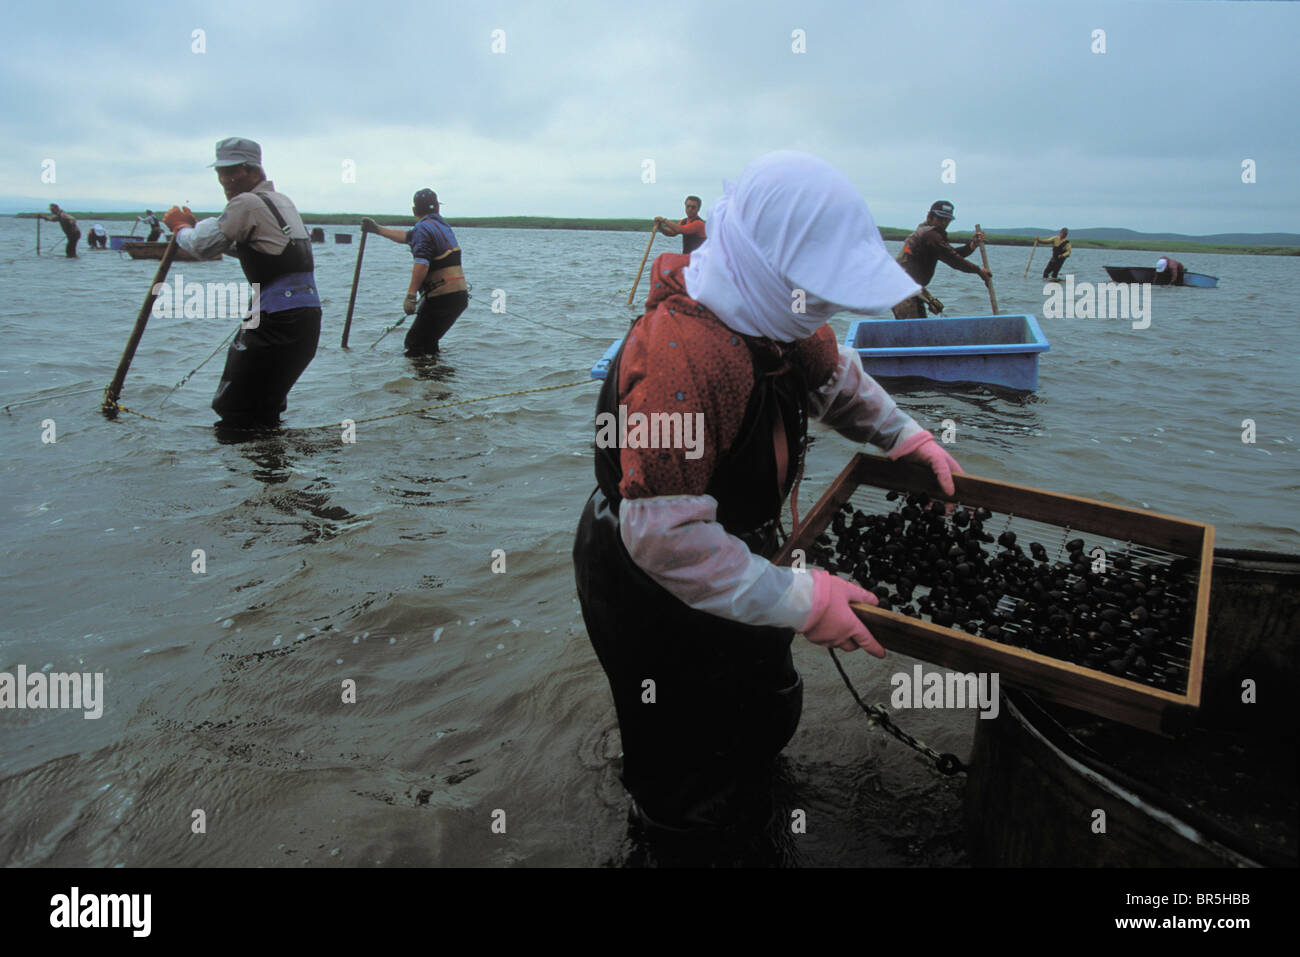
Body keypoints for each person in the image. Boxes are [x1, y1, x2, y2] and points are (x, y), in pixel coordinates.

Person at [573, 152, 962, 862]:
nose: (825, 308)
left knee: (760, 704)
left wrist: (907, 438)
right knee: (687, 769)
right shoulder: (681, 360)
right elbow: (663, 538)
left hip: (739, 537)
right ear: (766, 262)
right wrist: (806, 600)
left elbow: (837, 381)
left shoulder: (779, 311)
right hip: (648, 568)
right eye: (816, 289)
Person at [163, 137, 321, 429]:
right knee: (264, 405)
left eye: (231, 171)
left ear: (252, 170)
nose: (224, 180)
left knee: (236, 408)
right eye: (220, 173)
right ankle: (270, 469)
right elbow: (255, 248)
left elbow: (200, 246)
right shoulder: (281, 201)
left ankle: (248, 469)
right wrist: (211, 233)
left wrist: (179, 226)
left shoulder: (245, 202)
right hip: (305, 318)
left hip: (277, 319)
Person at [361, 189, 468, 357]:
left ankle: (427, 379)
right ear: (437, 209)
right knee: (428, 344)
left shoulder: (423, 228)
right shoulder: (440, 225)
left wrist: (411, 296)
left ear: (414, 210)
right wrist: (377, 229)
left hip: (442, 298)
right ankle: (435, 381)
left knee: (414, 344)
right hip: (457, 297)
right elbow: (408, 236)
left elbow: (422, 263)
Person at [890, 200, 990, 318]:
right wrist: (979, 271)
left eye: (947, 220)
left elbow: (950, 254)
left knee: (919, 328)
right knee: (913, 329)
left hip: (909, 289)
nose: (944, 223)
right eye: (940, 219)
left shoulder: (927, 231)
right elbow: (954, 260)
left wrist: (972, 245)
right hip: (903, 290)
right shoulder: (930, 235)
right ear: (930, 216)